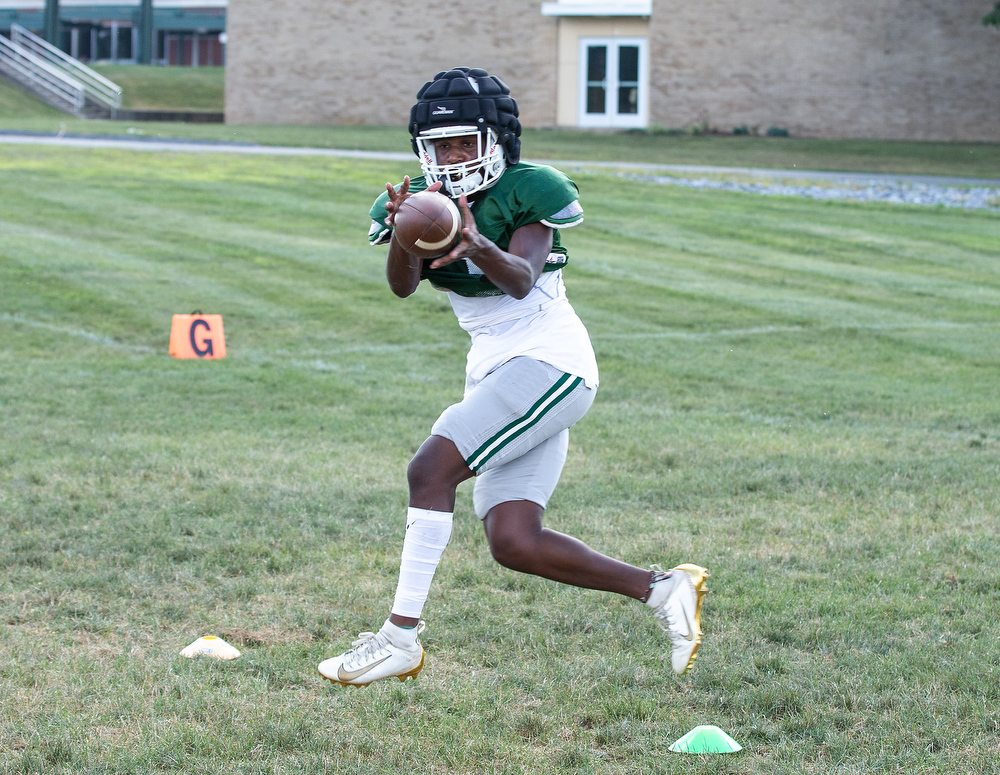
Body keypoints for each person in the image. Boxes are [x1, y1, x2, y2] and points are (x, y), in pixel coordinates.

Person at [318, 67, 709, 687]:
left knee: (429, 469)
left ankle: (399, 639)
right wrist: (403, 234)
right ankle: (664, 590)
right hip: (496, 370)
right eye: (439, 146)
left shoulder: (531, 190)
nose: (450, 157)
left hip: (551, 363)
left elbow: (522, 279)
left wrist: (476, 246)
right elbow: (401, 287)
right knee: (514, 540)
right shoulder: (418, 198)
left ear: (495, 140)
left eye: (463, 143)